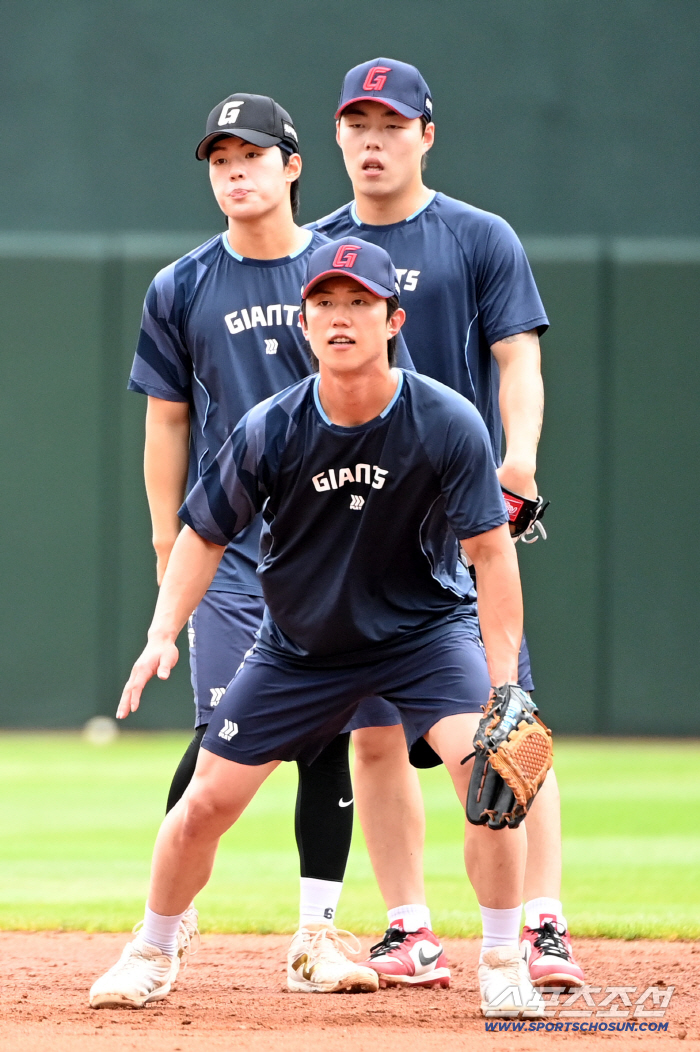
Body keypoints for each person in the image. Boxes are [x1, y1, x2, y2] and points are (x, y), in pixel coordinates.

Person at [90, 238, 545, 1019]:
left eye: (359, 303)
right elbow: (202, 532)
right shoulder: (273, 428)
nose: (341, 318)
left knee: (494, 777)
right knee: (202, 805)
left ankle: (504, 957)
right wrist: (163, 630)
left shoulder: (446, 421)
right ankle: (152, 949)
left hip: (425, 638)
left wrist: (503, 678)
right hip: (300, 648)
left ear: (392, 319)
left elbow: (490, 554)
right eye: (324, 305)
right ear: (303, 324)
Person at [306, 58, 585, 989]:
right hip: (357, 518)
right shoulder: (320, 247)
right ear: (338, 138)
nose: (373, 139)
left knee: (512, 723)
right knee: (374, 729)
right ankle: (409, 927)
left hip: (456, 517)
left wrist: (521, 455)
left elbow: (517, 357)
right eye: (358, 123)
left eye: (392, 123)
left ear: (427, 134)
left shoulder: (477, 235)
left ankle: (542, 923)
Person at [128, 92, 412, 991]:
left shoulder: (338, 278)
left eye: (252, 154)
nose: (236, 171)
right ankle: (166, 926)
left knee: (326, 732)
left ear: (293, 166)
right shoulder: (181, 285)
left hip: (329, 544)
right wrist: (166, 541)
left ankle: (315, 937)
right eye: (220, 159)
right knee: (223, 732)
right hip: (225, 545)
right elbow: (166, 424)